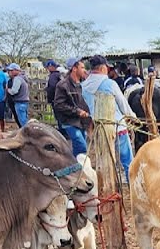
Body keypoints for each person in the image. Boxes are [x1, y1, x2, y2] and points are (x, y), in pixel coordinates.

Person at [82, 55, 137, 184]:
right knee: (127, 160)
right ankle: (132, 185)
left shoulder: (84, 86)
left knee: (105, 160)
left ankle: (107, 184)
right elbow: (123, 104)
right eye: (106, 67)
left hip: (99, 129)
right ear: (102, 68)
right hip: (117, 127)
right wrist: (132, 117)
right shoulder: (110, 84)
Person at [53, 57, 91, 156]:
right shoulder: (63, 85)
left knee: (78, 146)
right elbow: (59, 105)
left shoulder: (84, 84)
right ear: (74, 68)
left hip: (82, 121)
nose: (84, 70)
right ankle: (78, 168)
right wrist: (77, 111)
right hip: (70, 121)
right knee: (82, 146)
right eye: (82, 67)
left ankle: (73, 166)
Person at [5, 63, 31, 128]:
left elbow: (14, 91)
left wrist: (7, 90)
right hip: (25, 101)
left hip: (19, 101)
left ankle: (26, 135)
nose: (9, 72)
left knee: (22, 121)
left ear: (16, 70)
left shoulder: (17, 79)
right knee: (24, 119)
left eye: (11, 70)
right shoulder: (23, 78)